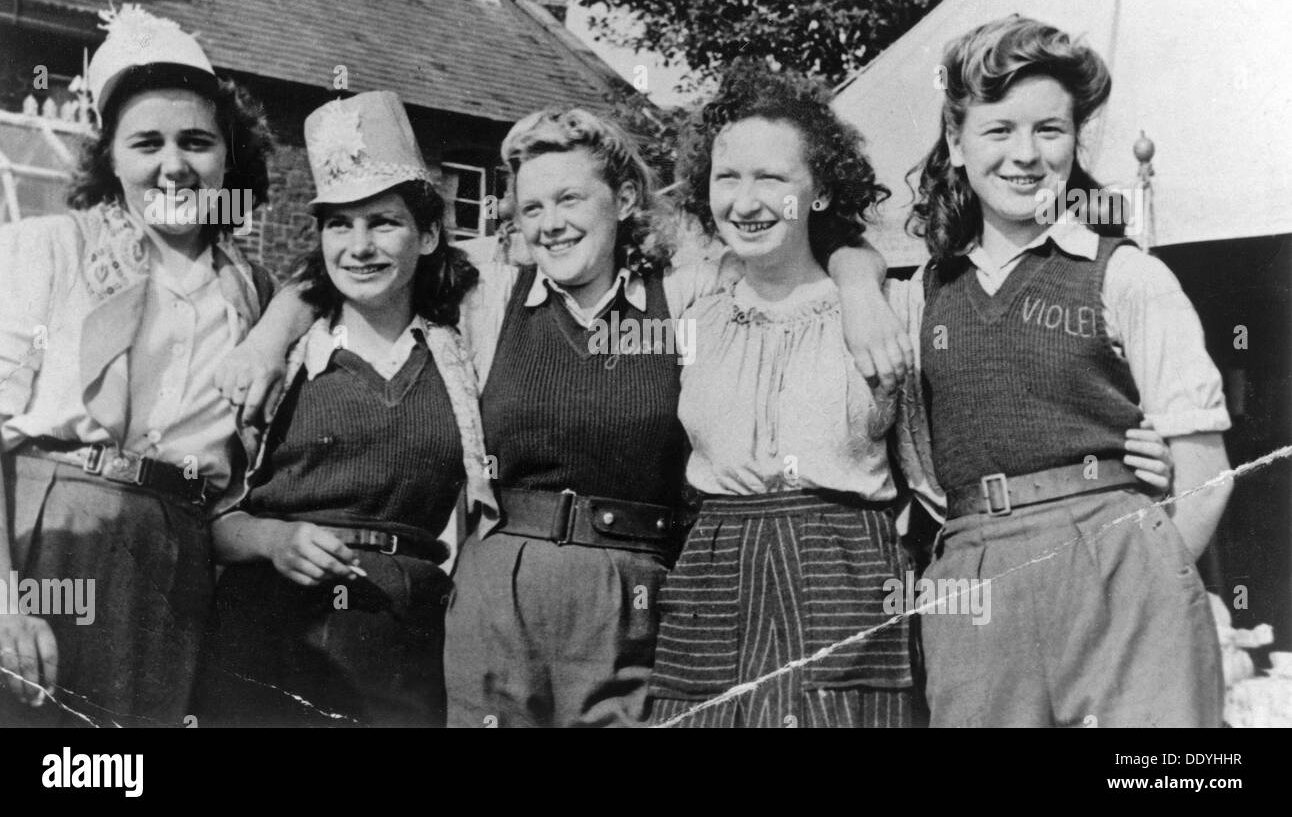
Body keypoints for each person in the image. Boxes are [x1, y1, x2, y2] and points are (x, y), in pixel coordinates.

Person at [221, 104, 902, 727]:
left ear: (626, 199)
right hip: (501, 589)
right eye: (531, 207)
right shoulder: (492, 293)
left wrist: (860, 285)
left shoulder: (688, 292)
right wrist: (270, 333)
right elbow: (368, 263)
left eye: (571, 198)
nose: (551, 223)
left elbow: (799, 246)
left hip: (632, 595)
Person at [896, 15, 1231, 727]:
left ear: (1077, 141)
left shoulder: (1128, 276)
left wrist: (1145, 581)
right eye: (998, 130)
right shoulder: (920, 297)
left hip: (1121, 573)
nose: (1026, 155)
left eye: (1050, 130)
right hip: (975, 582)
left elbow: (1206, 473)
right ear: (956, 143)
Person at [0, 5, 274, 726]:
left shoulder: (253, 294)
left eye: (198, 142)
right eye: (146, 142)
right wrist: (1, 599)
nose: (173, 164)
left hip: (173, 560)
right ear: (111, 158)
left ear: (227, 158)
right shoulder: (46, 250)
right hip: (45, 537)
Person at [196, 91, 496, 727]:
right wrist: (274, 539)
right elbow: (206, 518)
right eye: (340, 224)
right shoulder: (276, 355)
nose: (359, 247)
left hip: (403, 637)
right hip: (271, 627)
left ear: (431, 232)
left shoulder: (465, 349)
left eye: (383, 223)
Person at [646, 61, 921, 727]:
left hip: (845, 569)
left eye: (772, 177)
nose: (745, 202)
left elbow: (932, 470)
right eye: (727, 177)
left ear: (820, 191)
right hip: (713, 573)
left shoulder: (887, 305)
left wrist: (858, 278)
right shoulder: (688, 301)